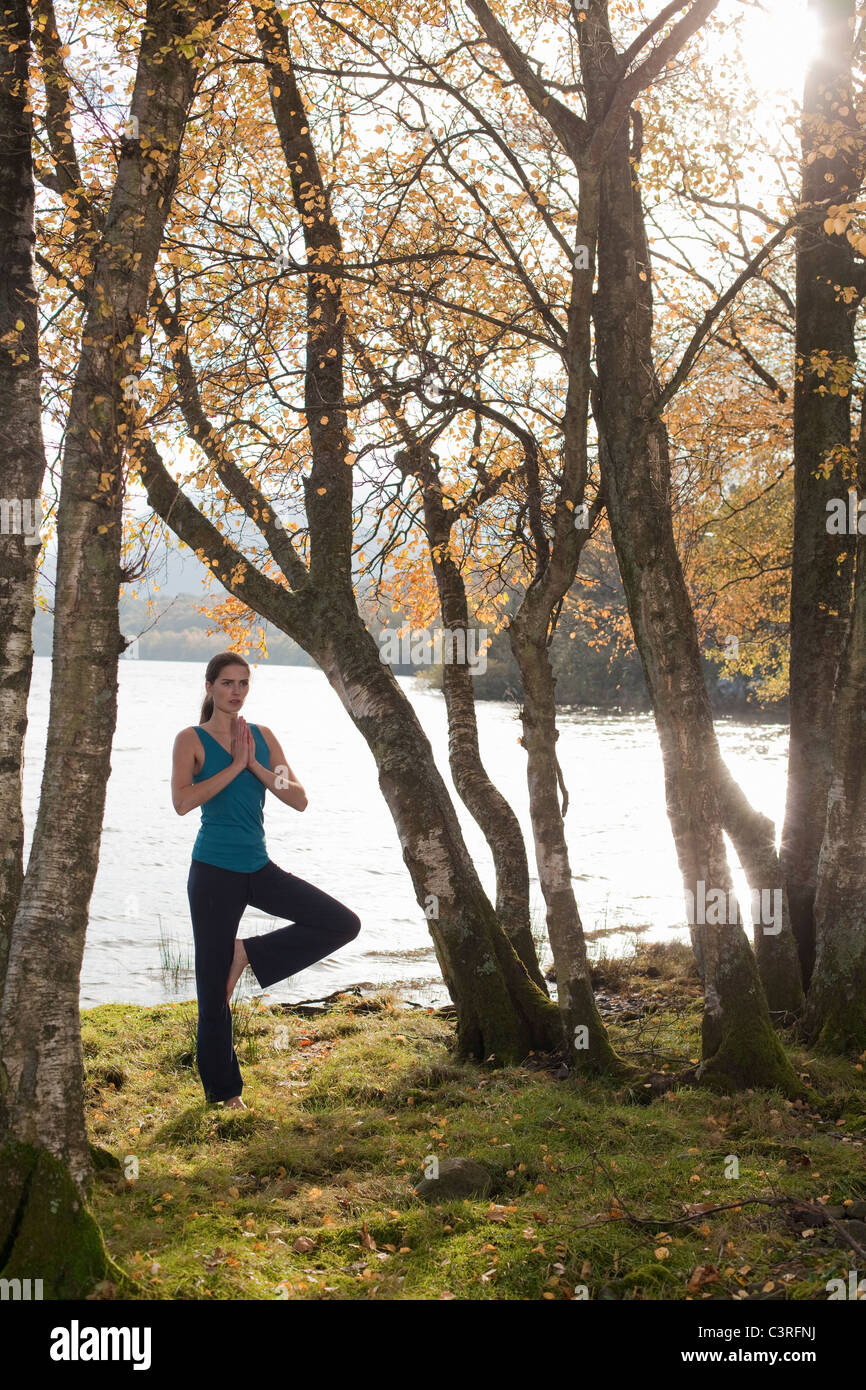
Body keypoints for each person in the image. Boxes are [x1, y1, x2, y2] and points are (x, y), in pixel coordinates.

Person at [171, 651, 361, 1109]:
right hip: (214, 873)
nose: (235, 691)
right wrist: (233, 767)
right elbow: (182, 802)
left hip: (259, 868)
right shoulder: (190, 739)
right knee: (213, 991)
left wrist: (253, 764)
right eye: (227, 683)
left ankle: (247, 953)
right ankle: (223, 1093)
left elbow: (298, 799)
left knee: (341, 923)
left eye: (242, 683)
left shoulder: (261, 737)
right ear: (210, 687)